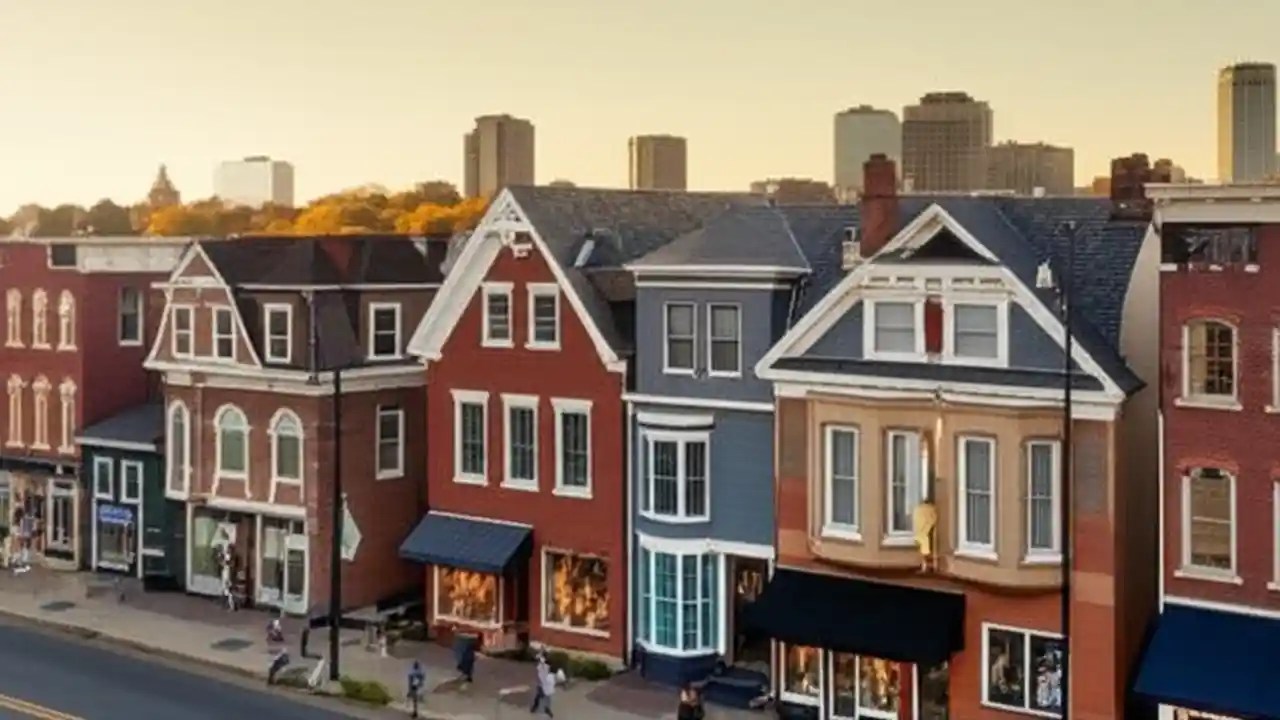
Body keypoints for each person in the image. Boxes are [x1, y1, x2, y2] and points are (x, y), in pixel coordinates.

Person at [529, 650, 555, 717]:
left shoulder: (548, 663)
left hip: (546, 682)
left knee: (546, 697)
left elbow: (549, 669)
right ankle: (535, 706)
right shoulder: (541, 663)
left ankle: (546, 709)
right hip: (541, 682)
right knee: (539, 695)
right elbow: (535, 660)